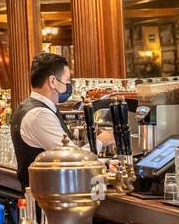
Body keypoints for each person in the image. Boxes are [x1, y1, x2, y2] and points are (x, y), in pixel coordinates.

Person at [10, 52, 111, 189]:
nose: (68, 86)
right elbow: (72, 159)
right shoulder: (39, 114)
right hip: (48, 197)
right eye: (67, 80)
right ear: (53, 81)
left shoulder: (29, 107)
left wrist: (105, 163)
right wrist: (101, 141)